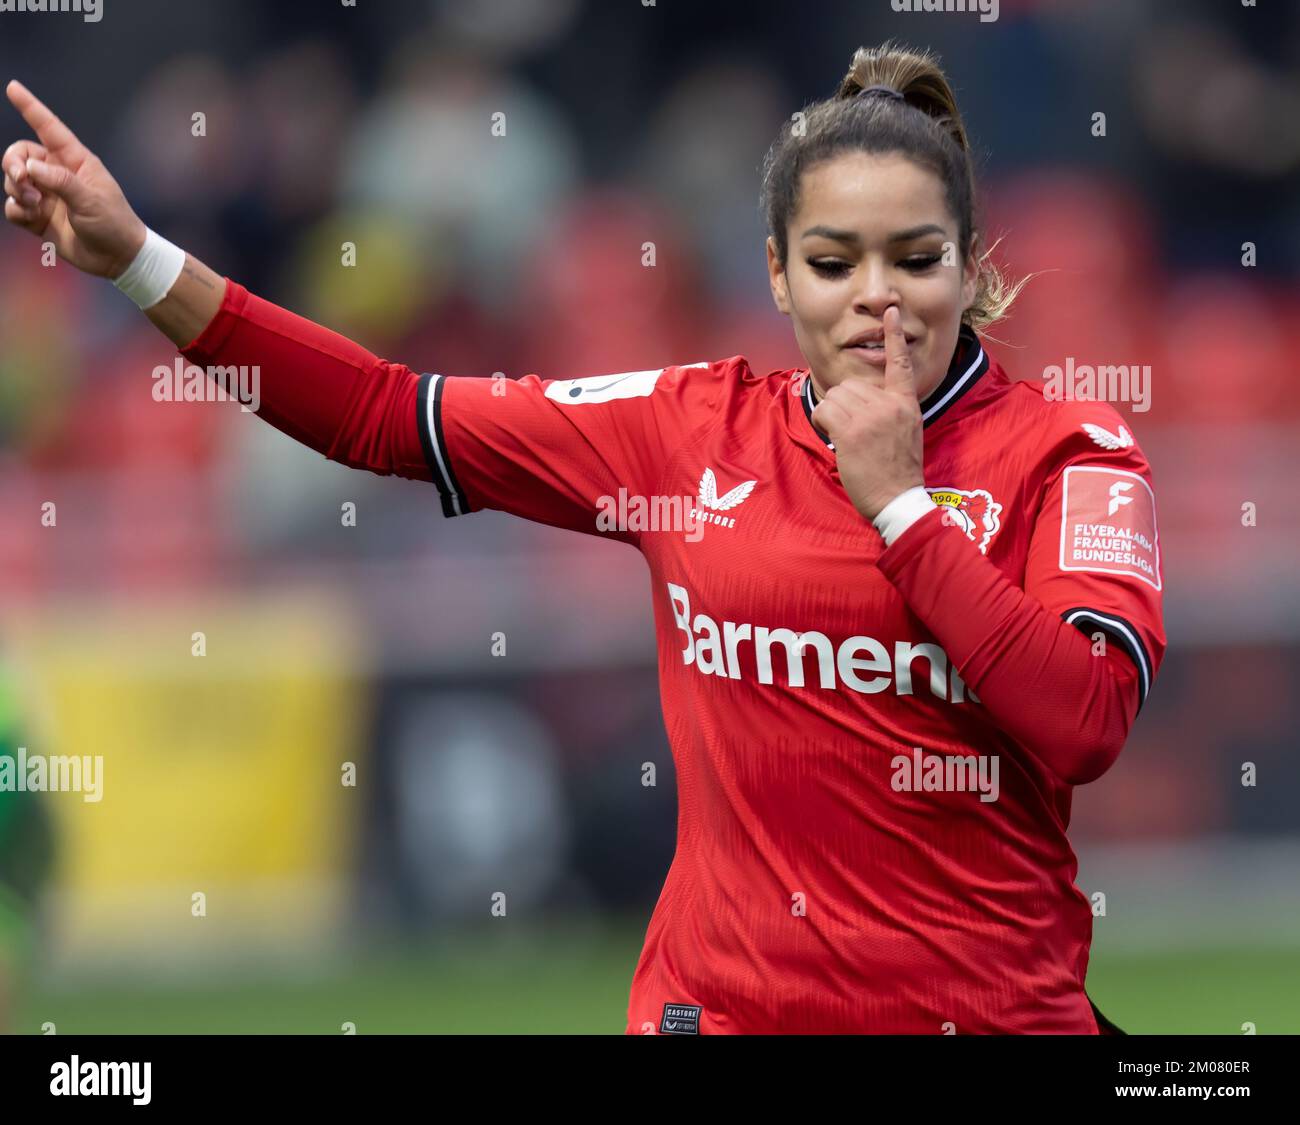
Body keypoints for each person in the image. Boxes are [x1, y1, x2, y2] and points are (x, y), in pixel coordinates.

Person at [3, 40, 1164, 1034]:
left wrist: (901, 509)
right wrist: (140, 261)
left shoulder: (1069, 450)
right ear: (773, 272)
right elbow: (380, 415)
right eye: (831, 262)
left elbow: (1084, 721)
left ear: (968, 265)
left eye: (916, 259)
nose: (878, 297)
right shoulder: (684, 432)